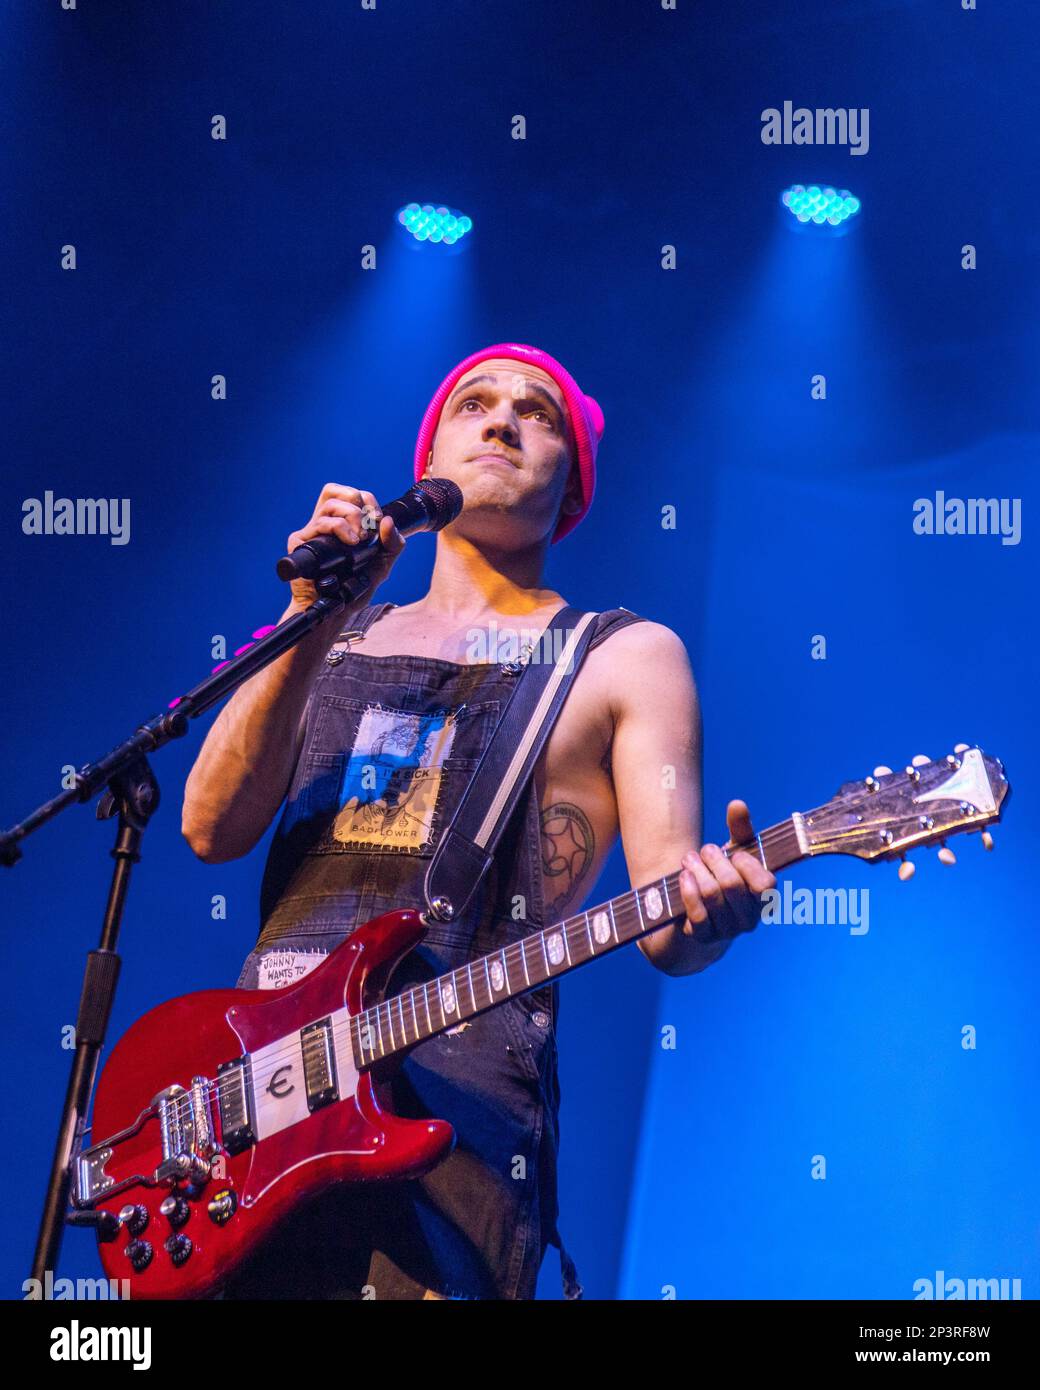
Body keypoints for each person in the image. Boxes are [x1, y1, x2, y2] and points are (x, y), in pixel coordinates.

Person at [181, 342, 776, 1300]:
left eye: (534, 411)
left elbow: (667, 921)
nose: (499, 420)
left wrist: (713, 914)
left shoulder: (624, 657)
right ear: (428, 459)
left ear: (572, 482)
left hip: (452, 1129)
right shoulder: (336, 628)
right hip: (256, 1110)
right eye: (473, 402)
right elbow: (208, 826)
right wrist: (311, 610)